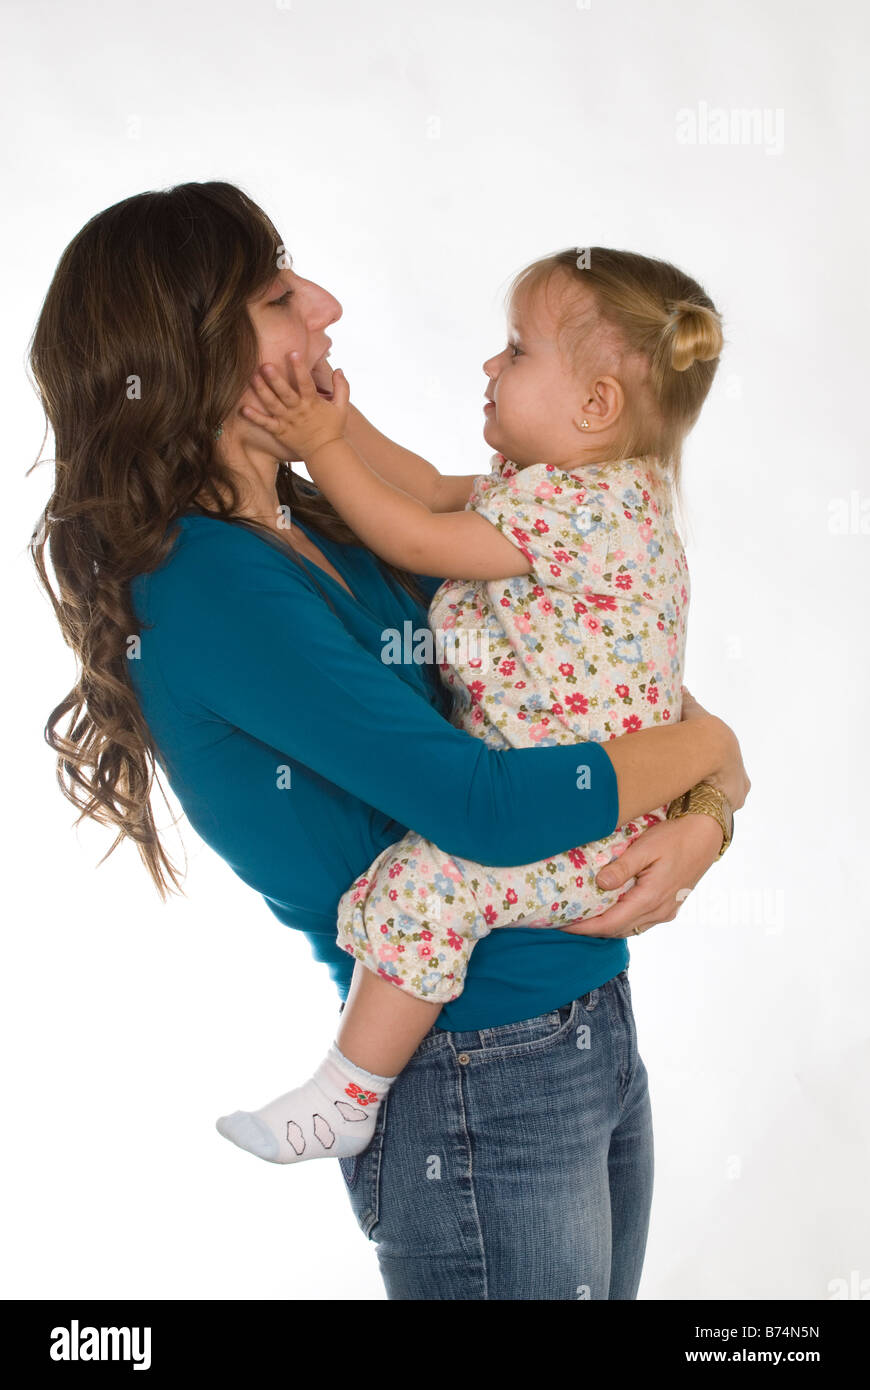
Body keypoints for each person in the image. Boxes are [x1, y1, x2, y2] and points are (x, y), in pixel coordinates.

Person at [30, 182, 749, 1299]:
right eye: (278, 292)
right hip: (478, 1075)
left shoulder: (315, 522)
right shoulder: (212, 586)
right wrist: (712, 759)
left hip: (584, 1027)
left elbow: (605, 679)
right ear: (192, 354)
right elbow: (489, 807)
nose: (325, 304)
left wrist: (708, 801)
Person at [215, 245, 736, 1176]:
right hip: (598, 826)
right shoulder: (586, 492)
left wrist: (324, 446)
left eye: (516, 350)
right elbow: (424, 486)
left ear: (595, 406)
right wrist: (339, 423)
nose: (490, 367)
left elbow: (410, 530)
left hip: (572, 833)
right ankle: (354, 1089)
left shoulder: (573, 513)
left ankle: (349, 1094)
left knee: (427, 888)